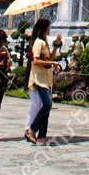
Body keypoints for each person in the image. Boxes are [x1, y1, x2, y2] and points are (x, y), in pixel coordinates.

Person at [23, 18, 59, 146]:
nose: (50, 29)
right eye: (49, 27)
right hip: (38, 79)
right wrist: (51, 63)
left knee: (46, 107)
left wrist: (56, 46)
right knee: (47, 105)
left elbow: (50, 58)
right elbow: (36, 61)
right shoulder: (38, 43)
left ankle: (42, 136)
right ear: (44, 28)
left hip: (46, 79)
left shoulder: (45, 42)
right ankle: (32, 129)